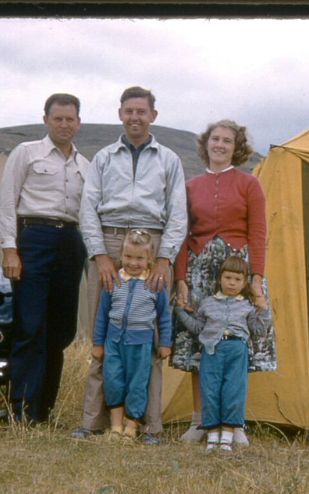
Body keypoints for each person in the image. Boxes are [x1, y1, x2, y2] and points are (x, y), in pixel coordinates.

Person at [73, 85, 187, 444]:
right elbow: (88, 208)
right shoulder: (104, 158)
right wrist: (100, 255)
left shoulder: (168, 159)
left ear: (153, 115)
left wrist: (165, 258)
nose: (135, 117)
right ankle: (94, 421)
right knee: (103, 332)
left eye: (141, 111)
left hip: (151, 244)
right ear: (120, 114)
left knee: (147, 335)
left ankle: (149, 425)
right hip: (110, 241)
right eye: (129, 111)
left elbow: (178, 212)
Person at [172, 119, 277, 445]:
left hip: (238, 271)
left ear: (237, 148)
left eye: (227, 141)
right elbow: (182, 234)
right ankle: (199, 421)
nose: (219, 144)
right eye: (215, 139)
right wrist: (181, 279)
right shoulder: (190, 187)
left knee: (237, 346)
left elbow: (258, 232)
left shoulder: (249, 184)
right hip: (200, 271)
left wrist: (256, 279)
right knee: (199, 343)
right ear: (206, 143)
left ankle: (235, 423)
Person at [0, 93, 89, 423]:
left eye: (70, 119)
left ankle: (43, 410)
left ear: (79, 123)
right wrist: (10, 248)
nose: (64, 124)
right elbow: (7, 201)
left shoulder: (85, 165)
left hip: (70, 242)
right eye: (58, 118)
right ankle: (21, 408)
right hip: (34, 237)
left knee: (61, 330)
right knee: (30, 325)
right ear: (46, 120)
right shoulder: (27, 153)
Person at [174, 256, 272, 452]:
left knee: (234, 391)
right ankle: (212, 435)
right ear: (220, 278)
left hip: (237, 351)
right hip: (212, 351)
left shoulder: (247, 306)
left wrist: (263, 309)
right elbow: (197, 327)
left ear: (244, 282)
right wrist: (180, 311)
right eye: (228, 278)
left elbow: (258, 330)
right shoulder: (207, 303)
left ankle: (227, 435)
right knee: (210, 390)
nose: (232, 283)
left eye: (237, 279)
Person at [93, 230, 172, 440]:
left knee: (137, 384)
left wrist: (165, 343)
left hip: (141, 344)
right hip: (114, 342)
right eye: (128, 256)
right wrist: (98, 343)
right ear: (121, 255)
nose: (133, 263)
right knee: (113, 381)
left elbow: (164, 316)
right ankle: (115, 426)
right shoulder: (114, 281)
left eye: (139, 258)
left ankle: (131, 426)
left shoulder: (155, 284)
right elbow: (102, 315)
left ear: (150, 259)